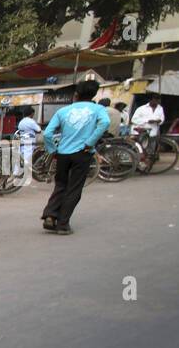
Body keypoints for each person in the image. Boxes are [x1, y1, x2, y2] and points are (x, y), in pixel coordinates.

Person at [40, 78, 111, 234]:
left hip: (63, 154)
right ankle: (63, 224)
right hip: (82, 153)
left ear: (76, 94)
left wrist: (53, 151)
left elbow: (47, 134)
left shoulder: (63, 111)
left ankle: (50, 215)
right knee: (74, 189)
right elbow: (105, 123)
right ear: (93, 95)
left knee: (60, 185)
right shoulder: (98, 110)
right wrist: (90, 142)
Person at [131, 93, 166, 159]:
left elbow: (162, 118)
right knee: (141, 148)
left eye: (158, 100)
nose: (157, 102)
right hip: (143, 132)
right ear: (151, 100)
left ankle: (149, 162)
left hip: (154, 132)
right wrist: (147, 120)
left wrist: (159, 121)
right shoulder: (141, 109)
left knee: (151, 150)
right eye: (155, 100)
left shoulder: (160, 108)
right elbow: (134, 120)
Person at [13, 106, 41, 178]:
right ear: (31, 114)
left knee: (20, 156)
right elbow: (39, 130)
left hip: (22, 140)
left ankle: (16, 172)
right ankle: (25, 173)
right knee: (27, 157)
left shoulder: (21, 122)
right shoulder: (31, 121)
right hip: (29, 141)